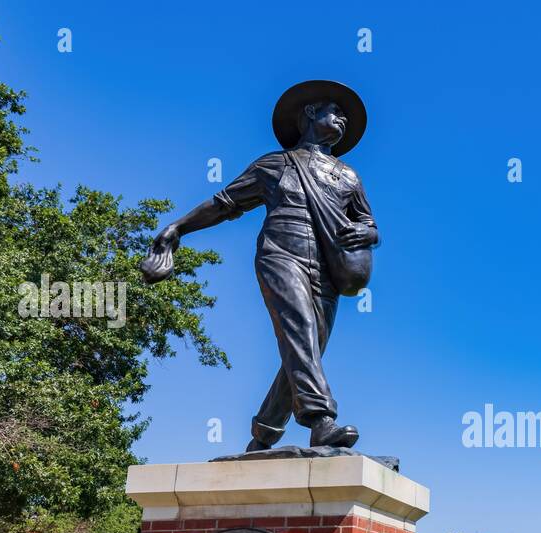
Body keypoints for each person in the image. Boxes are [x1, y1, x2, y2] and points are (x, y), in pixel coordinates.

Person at [141, 80, 376, 450]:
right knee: (299, 330)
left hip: (329, 267)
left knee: (308, 346)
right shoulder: (276, 165)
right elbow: (224, 203)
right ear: (311, 114)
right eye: (336, 112)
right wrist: (178, 227)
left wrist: (367, 234)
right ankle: (321, 419)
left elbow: (368, 223)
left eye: (345, 117)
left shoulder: (349, 177)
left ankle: (265, 430)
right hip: (281, 255)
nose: (343, 120)